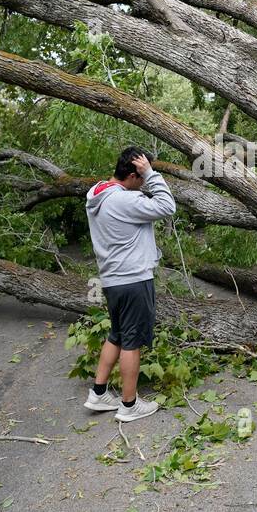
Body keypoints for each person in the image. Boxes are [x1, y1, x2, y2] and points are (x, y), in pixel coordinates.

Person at [82, 146, 176, 422]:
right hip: (133, 279)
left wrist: (145, 176)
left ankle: (98, 393)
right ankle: (129, 404)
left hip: (112, 280)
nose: (144, 183)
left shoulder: (99, 193)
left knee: (118, 335)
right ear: (135, 174)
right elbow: (167, 206)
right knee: (131, 342)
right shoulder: (123, 201)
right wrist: (152, 174)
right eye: (142, 177)